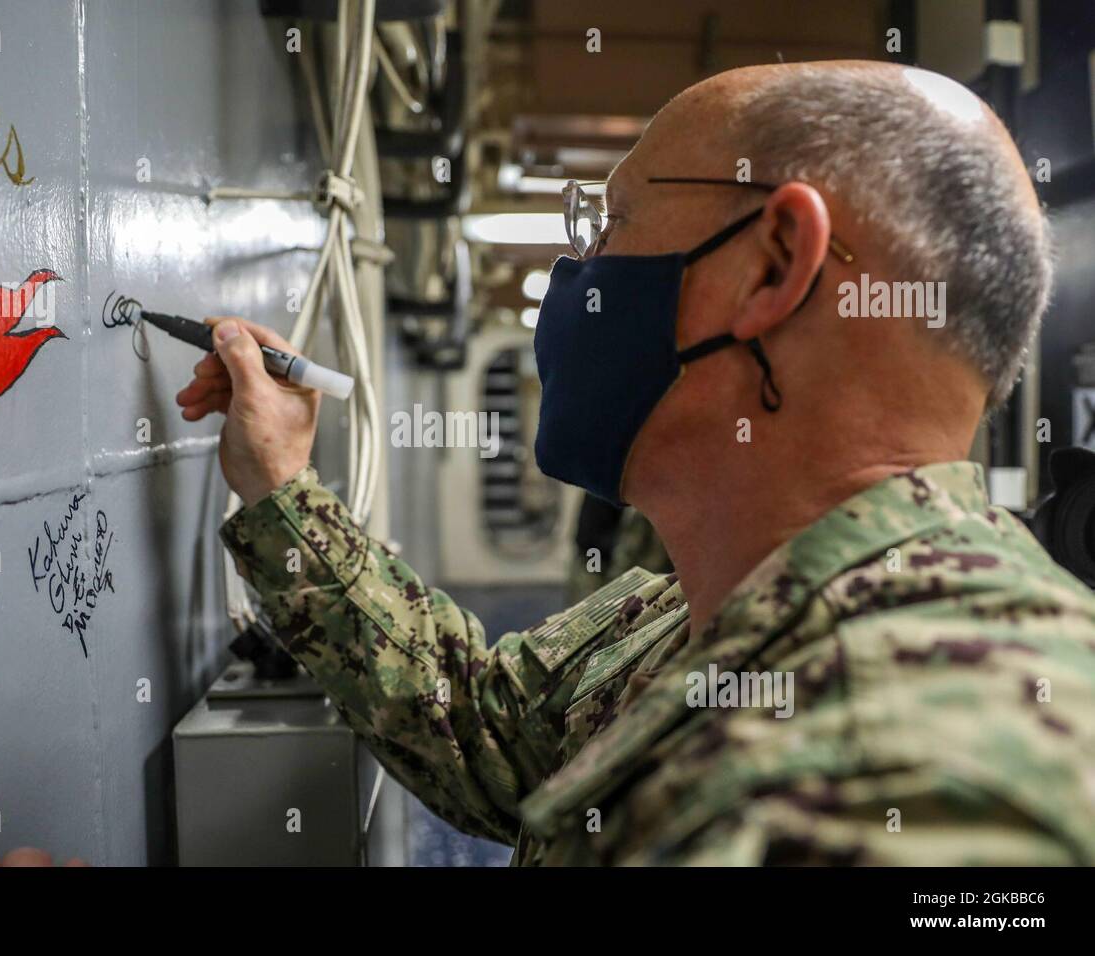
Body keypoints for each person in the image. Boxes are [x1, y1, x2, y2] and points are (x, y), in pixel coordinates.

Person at [176, 61, 1095, 865]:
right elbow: (483, 731)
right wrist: (282, 484)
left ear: (773, 266)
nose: (581, 270)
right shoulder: (702, 603)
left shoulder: (942, 761)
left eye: (610, 225)